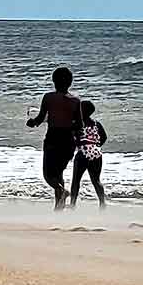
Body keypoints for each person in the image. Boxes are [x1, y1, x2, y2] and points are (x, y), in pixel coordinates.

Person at [27, 67, 82, 211]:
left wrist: (32, 122)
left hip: (53, 138)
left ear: (54, 81)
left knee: (48, 175)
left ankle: (62, 192)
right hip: (69, 141)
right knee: (58, 173)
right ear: (70, 82)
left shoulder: (49, 97)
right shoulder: (76, 101)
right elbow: (79, 125)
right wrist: (79, 144)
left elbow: (40, 119)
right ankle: (59, 208)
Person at [70, 100, 107, 209]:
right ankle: (102, 203)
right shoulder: (96, 123)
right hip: (96, 152)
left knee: (76, 180)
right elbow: (104, 137)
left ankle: (72, 204)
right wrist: (96, 146)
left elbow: (72, 137)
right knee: (96, 180)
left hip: (83, 152)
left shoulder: (76, 123)